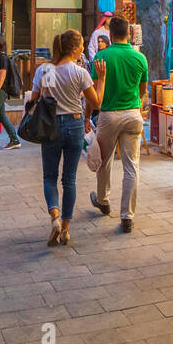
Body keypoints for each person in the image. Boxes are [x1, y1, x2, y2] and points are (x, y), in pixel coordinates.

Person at [34, 30, 100, 246]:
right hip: (74, 124)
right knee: (69, 179)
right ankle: (66, 229)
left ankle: (54, 218)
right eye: (82, 45)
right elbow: (96, 101)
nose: (83, 48)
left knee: (49, 177)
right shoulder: (79, 72)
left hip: (50, 126)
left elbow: (34, 98)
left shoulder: (45, 70)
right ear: (74, 49)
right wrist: (103, 78)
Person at [90, 15, 149, 233]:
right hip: (133, 114)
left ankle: (103, 200)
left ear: (110, 34)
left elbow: (96, 91)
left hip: (108, 115)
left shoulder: (102, 56)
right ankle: (127, 216)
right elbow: (142, 90)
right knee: (131, 165)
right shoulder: (139, 58)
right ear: (129, 34)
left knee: (105, 161)